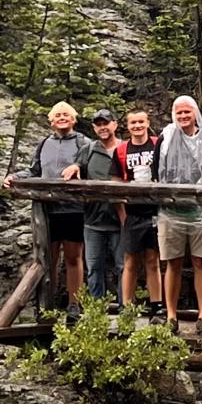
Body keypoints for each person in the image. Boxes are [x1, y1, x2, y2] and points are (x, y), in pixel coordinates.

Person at [155, 95, 202, 337]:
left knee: (201, 262)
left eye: (187, 113)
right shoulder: (166, 137)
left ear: (195, 113)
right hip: (171, 211)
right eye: (179, 113)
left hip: (201, 211)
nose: (182, 117)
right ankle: (171, 315)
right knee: (173, 263)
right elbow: (156, 170)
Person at [26, 101, 89, 319]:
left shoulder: (83, 142)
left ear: (73, 119)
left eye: (66, 115)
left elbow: (89, 167)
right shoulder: (44, 143)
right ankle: (46, 305)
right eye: (57, 115)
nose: (62, 118)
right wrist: (14, 178)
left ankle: (74, 304)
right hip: (47, 211)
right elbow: (33, 170)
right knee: (47, 259)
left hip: (73, 209)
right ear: (51, 121)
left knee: (73, 257)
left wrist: (78, 167)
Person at [64, 106, 123, 305]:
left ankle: (126, 311)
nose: (102, 127)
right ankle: (96, 313)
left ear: (115, 124)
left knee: (123, 267)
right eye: (98, 125)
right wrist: (73, 167)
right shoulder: (88, 149)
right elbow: (77, 165)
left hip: (120, 220)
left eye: (106, 123)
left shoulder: (124, 148)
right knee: (94, 268)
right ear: (93, 128)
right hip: (93, 220)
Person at [112, 109, 163, 317]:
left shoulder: (158, 144)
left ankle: (156, 303)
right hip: (132, 212)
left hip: (155, 211)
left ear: (147, 122)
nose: (137, 126)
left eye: (141, 122)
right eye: (133, 123)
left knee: (153, 259)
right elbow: (115, 185)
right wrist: (123, 214)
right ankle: (127, 305)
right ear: (128, 125)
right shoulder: (122, 150)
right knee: (130, 259)